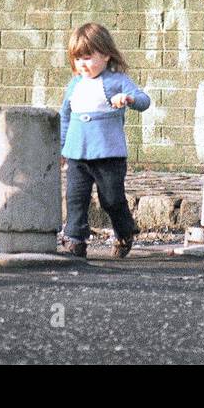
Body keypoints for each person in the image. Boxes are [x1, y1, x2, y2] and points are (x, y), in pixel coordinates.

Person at [59, 22, 150, 258]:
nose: (83, 64)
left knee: (111, 199)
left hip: (108, 154)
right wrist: (61, 148)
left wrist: (128, 98)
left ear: (106, 55)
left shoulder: (116, 81)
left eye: (88, 57)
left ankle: (124, 231)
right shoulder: (74, 84)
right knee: (75, 198)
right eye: (78, 59)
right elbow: (65, 117)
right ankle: (75, 239)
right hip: (77, 153)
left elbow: (144, 100)